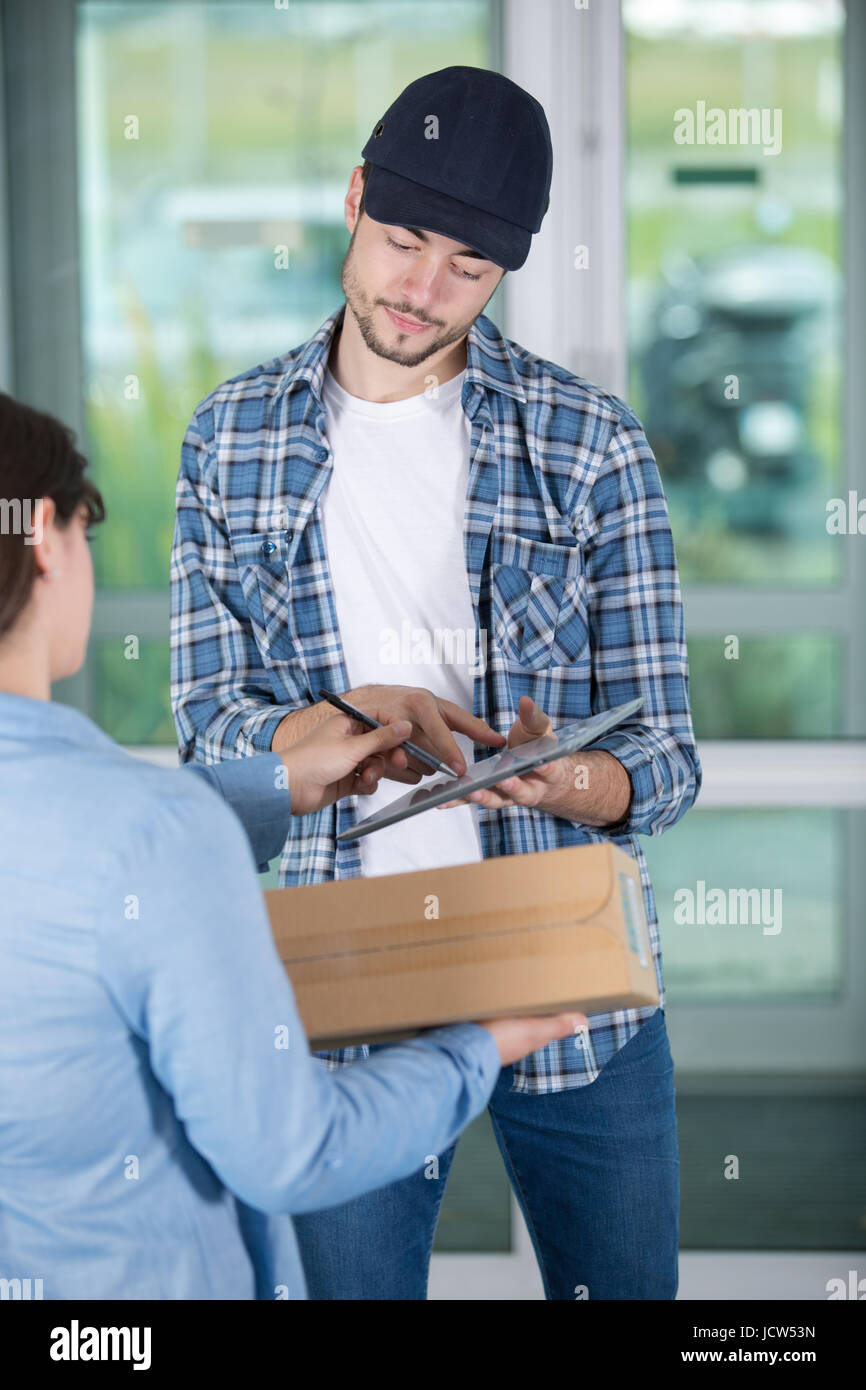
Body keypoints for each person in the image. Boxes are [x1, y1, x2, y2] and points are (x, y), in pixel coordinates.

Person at [170, 66, 702, 1300]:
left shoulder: (591, 444)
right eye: (403, 241)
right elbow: (210, 736)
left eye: (464, 268)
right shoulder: (229, 437)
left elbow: (665, 758)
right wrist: (346, 725)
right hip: (344, 972)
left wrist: (562, 778)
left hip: (569, 974)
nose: (420, 291)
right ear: (354, 198)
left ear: (505, 270)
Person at [0, 390, 585, 1300]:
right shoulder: (153, 834)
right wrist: (480, 1043)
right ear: (44, 538)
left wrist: (273, 783)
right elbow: (291, 1153)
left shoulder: (144, 831)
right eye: (87, 527)